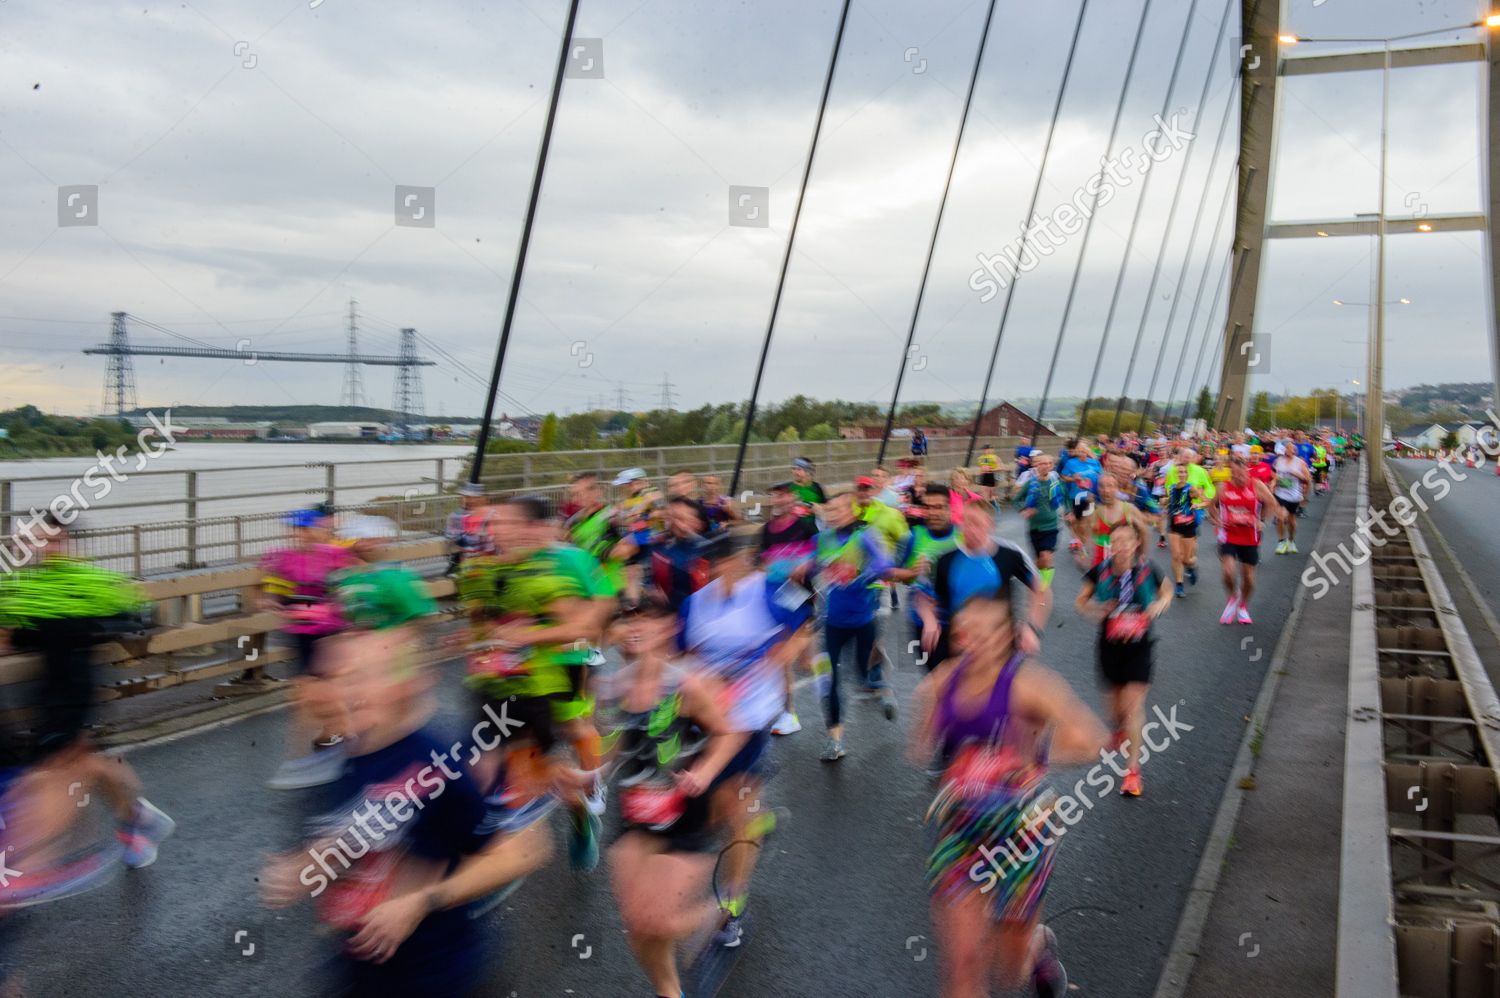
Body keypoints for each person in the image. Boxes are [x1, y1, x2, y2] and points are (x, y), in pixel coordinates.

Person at [908, 596, 1108, 998]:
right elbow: (919, 748)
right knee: (962, 963)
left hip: (1022, 830)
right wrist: (964, 764)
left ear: (1007, 637)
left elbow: (1091, 740)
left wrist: (1033, 757)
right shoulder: (941, 682)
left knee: (1009, 969)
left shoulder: (1030, 685)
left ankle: (1033, 946)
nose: (975, 641)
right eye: (967, 631)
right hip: (958, 827)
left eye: (988, 632)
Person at [0, 513, 176, 905]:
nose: (46, 548)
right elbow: (7, 632)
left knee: (51, 770)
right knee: (85, 760)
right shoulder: (19, 585)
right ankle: (136, 817)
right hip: (42, 686)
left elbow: (143, 617)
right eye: (38, 541)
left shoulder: (92, 580)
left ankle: (31, 868)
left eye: (54, 540)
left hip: (80, 684)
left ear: (69, 541)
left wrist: (100, 627)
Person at [598, 595, 744, 996]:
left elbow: (729, 732)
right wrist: (581, 776)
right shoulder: (613, 688)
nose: (635, 626)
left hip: (684, 814)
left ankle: (716, 915)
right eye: (629, 619)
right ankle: (670, 992)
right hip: (634, 815)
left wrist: (704, 772)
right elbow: (610, 748)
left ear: (667, 630)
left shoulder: (685, 684)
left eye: (646, 619)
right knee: (637, 922)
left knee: (659, 921)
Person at [462, 495, 616, 874]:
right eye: (497, 524)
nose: (501, 530)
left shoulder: (571, 560)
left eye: (510, 522)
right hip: (512, 679)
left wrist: (581, 642)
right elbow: (486, 621)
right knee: (513, 762)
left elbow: (602, 607)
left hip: (567, 663)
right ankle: (515, 833)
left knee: (575, 726)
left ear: (543, 526)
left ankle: (589, 791)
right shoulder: (496, 566)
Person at [680, 533, 810, 949]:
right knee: (715, 814)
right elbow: (682, 656)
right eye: (714, 561)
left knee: (735, 811)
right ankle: (761, 821)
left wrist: (783, 654)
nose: (721, 567)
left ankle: (733, 902)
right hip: (708, 722)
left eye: (728, 559)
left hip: (751, 718)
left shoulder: (771, 589)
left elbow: (806, 620)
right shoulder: (696, 603)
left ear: (743, 559)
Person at [260, 505, 359, 789]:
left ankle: (306, 757)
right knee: (307, 695)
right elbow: (274, 593)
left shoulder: (336, 557)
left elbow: (352, 591)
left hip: (329, 633)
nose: (298, 534)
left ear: (318, 529)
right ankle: (335, 743)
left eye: (304, 529)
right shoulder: (284, 558)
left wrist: (337, 610)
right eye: (295, 529)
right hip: (300, 634)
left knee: (313, 694)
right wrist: (271, 601)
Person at [1075, 519, 1171, 797]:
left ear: (1136, 544)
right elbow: (1080, 603)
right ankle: (1119, 728)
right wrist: (1097, 609)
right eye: (1114, 542)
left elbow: (1166, 593)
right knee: (1116, 712)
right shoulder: (1100, 572)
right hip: (1109, 646)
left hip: (1140, 645)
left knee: (1133, 705)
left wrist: (1158, 606)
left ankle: (1132, 772)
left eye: (1126, 541)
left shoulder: (1147, 569)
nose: (1120, 547)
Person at [916, 501, 1050, 679]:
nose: (968, 528)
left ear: (990, 525)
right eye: (964, 521)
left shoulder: (1009, 555)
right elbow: (923, 597)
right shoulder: (946, 560)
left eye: (976, 523)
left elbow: (1042, 592)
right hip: (958, 647)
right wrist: (929, 619)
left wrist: (1032, 628)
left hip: (998, 648)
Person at [809, 491, 896, 760]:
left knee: (862, 676)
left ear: (852, 511)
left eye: (838, 509)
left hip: (862, 620)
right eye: (829, 510)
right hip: (832, 624)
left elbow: (885, 563)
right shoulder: (820, 540)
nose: (832, 514)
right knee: (829, 683)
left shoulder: (865, 537)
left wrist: (861, 574)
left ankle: (882, 688)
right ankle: (835, 742)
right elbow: (808, 569)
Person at [758, 482, 819, 736]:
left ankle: (825, 675)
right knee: (780, 657)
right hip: (777, 598)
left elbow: (820, 552)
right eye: (775, 496)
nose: (779, 500)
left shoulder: (804, 527)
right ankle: (789, 714)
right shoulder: (766, 531)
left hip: (801, 599)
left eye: (783, 495)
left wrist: (805, 565)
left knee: (806, 664)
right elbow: (761, 562)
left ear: (792, 499)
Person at [888, 484, 961, 671]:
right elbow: (891, 573)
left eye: (939, 507)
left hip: (960, 623)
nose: (932, 513)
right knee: (935, 681)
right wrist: (911, 573)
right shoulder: (912, 537)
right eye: (927, 507)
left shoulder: (964, 536)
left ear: (950, 508)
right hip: (923, 625)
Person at [1208, 455, 1275, 625]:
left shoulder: (1256, 485)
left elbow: (1271, 503)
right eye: (1235, 474)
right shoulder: (1223, 487)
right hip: (1228, 536)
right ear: (1231, 474)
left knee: (1249, 579)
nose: (1239, 477)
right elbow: (1211, 505)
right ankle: (1232, 598)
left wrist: (1262, 521)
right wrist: (1216, 519)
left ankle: (1243, 605)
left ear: (1246, 470)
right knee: (1228, 573)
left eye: (1242, 473)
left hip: (1250, 537)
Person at [1161, 449, 1214, 598]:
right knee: (1176, 555)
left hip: (1188, 524)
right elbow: (1165, 501)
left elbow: (1206, 501)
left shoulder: (1191, 488)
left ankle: (1192, 565)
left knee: (1186, 558)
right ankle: (1179, 584)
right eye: (1179, 473)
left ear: (1187, 474)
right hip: (1174, 524)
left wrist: (1198, 505)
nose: (1181, 475)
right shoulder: (1171, 488)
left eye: (1184, 473)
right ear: (1175, 475)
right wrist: (1164, 502)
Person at [1016, 452, 1065, 590]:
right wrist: (1023, 510)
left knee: (1046, 557)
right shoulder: (1031, 483)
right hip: (1035, 527)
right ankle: (1028, 570)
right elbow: (1016, 500)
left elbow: (1065, 496)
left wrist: (1069, 512)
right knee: (1040, 561)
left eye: (1049, 463)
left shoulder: (1055, 482)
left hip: (1051, 526)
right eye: (1043, 463)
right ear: (1036, 465)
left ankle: (1042, 590)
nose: (1047, 466)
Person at [444, 484, 494, 576]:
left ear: (485, 499)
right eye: (465, 497)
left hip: (490, 561)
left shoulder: (493, 514)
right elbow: (452, 540)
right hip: (467, 561)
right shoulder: (456, 516)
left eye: (473, 497)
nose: (467, 500)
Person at [1271, 444, 1311, 555]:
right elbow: (1275, 474)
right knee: (1281, 517)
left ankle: (1291, 540)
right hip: (1280, 493)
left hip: (1294, 495)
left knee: (1292, 520)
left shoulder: (1300, 462)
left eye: (1290, 448)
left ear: (1294, 451)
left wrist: (1297, 475)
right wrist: (1273, 483)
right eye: (1286, 448)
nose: (1287, 450)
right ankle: (1281, 542)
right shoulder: (1279, 460)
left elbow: (1307, 479)